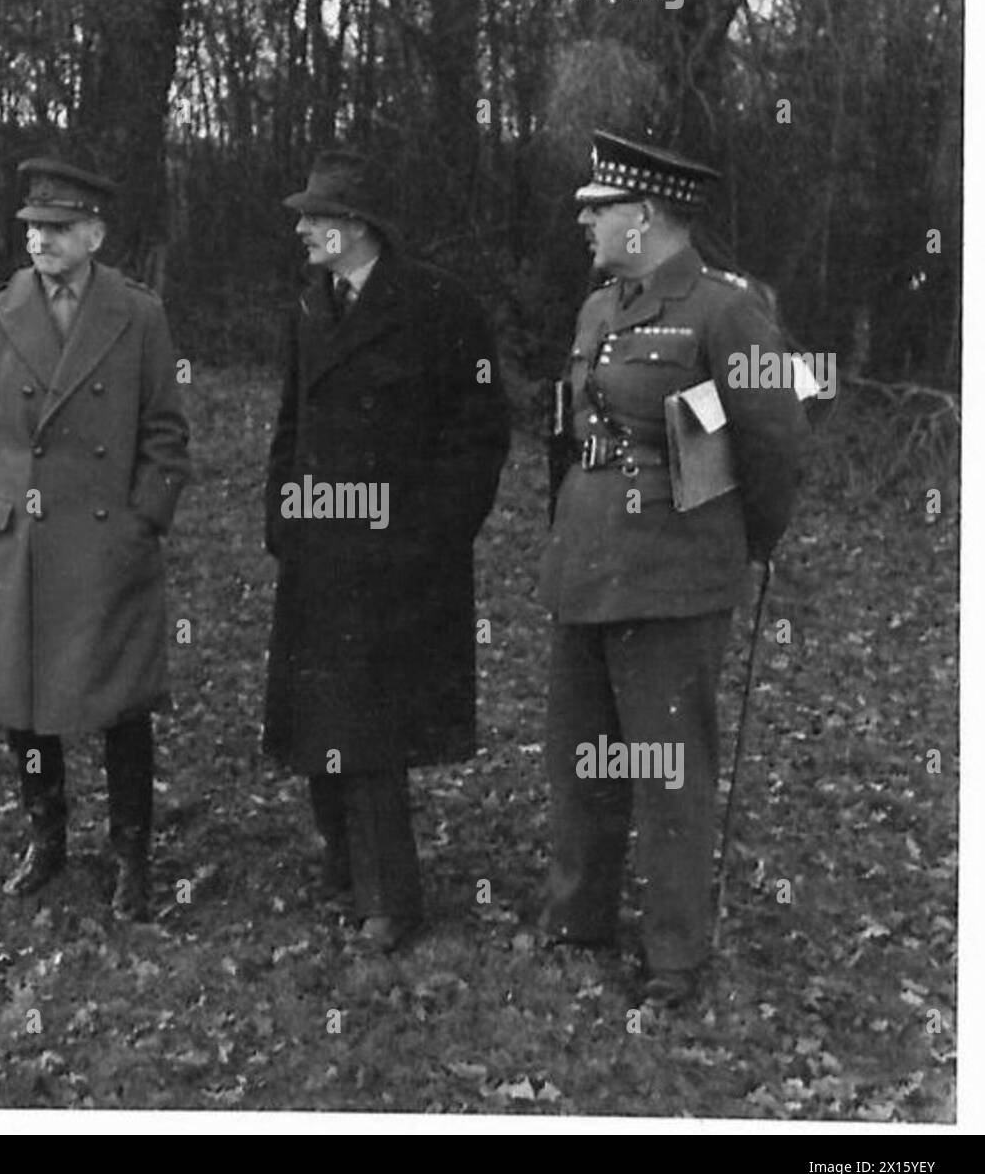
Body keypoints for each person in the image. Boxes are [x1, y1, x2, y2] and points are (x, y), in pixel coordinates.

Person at [538, 131, 809, 1006]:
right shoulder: (597, 309)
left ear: (643, 216)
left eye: (599, 209)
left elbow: (775, 439)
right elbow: (569, 436)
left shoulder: (725, 311)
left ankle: (673, 957)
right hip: (587, 566)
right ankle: (579, 925)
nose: (585, 222)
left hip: (674, 575)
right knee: (582, 757)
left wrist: (744, 545)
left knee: (666, 768)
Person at [263, 149, 510, 953]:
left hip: (397, 556)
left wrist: (428, 537)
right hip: (318, 548)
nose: (301, 230)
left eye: (315, 218)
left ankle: (389, 897)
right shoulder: (312, 305)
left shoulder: (441, 307)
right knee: (318, 719)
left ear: (357, 227)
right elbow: (291, 426)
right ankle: (343, 867)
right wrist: (282, 518)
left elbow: (479, 438)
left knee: (372, 731)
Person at [0, 156, 190, 921]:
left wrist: (141, 520)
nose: (39, 243)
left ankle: (131, 855)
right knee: (23, 700)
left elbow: (165, 434)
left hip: (105, 539)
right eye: (32, 229)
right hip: (17, 535)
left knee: (122, 704)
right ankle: (45, 836)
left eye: (56, 229)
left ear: (95, 233)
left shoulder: (138, 314)